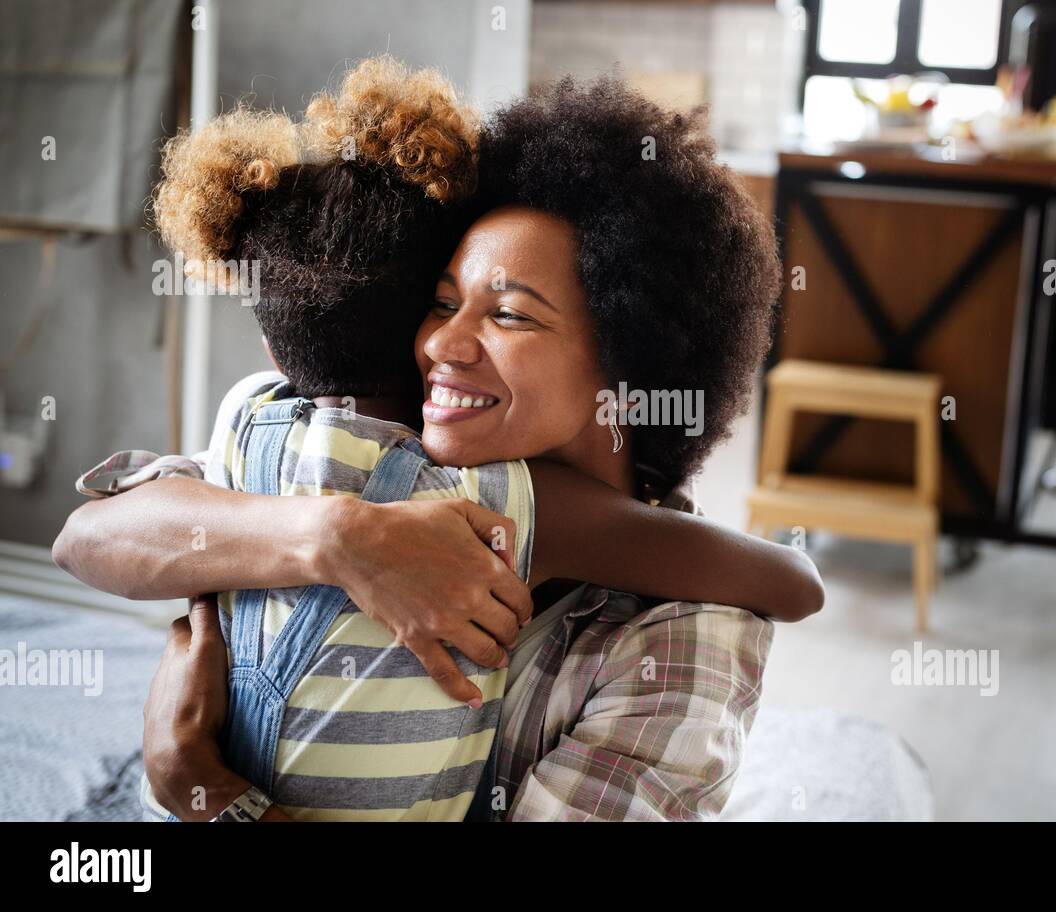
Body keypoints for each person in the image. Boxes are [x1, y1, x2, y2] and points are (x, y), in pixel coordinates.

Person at [56, 70, 796, 821]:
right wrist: (336, 536)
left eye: (508, 315)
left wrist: (198, 784)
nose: (443, 341)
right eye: (443, 302)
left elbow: (793, 583)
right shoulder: (363, 456)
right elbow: (92, 533)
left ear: (635, 363)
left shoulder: (682, 636)